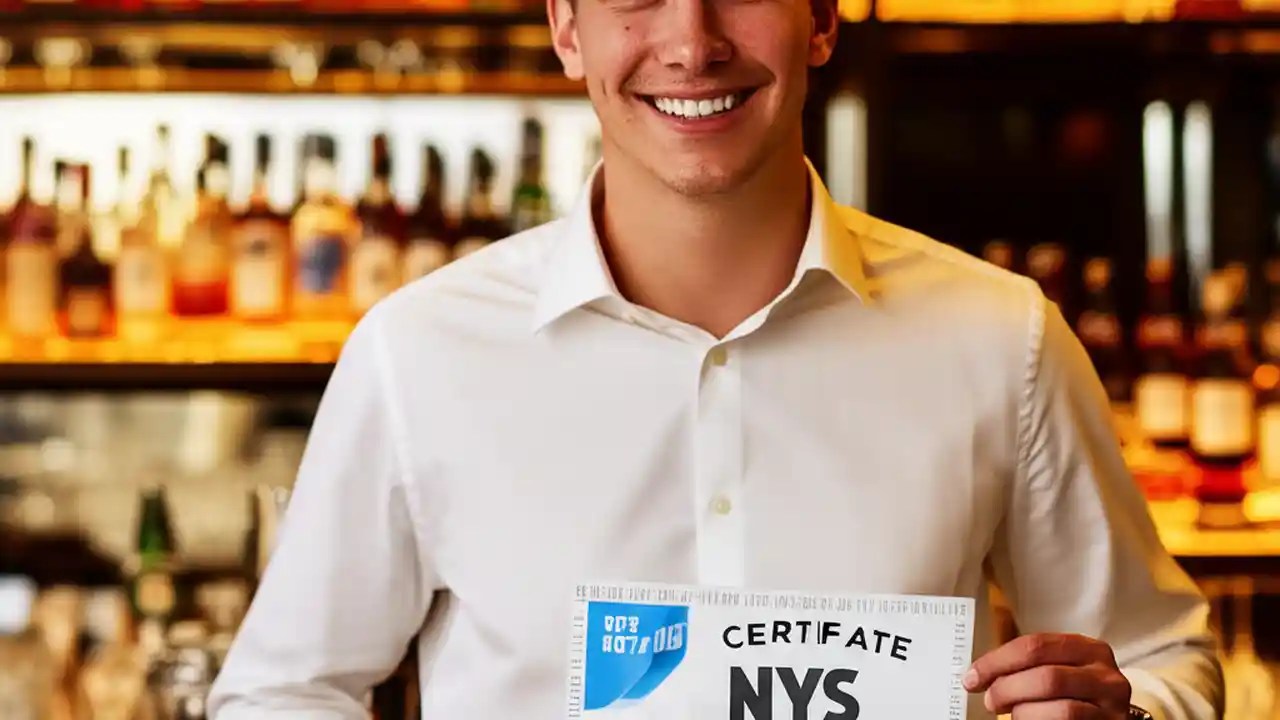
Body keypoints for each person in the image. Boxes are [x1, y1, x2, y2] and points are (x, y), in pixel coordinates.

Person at [207, 0, 1224, 716]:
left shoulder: (1001, 337)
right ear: (568, 29)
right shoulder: (418, 351)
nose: (690, 44)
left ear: (820, 20)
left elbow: (1160, 656)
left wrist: (1118, 714)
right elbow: (284, 692)